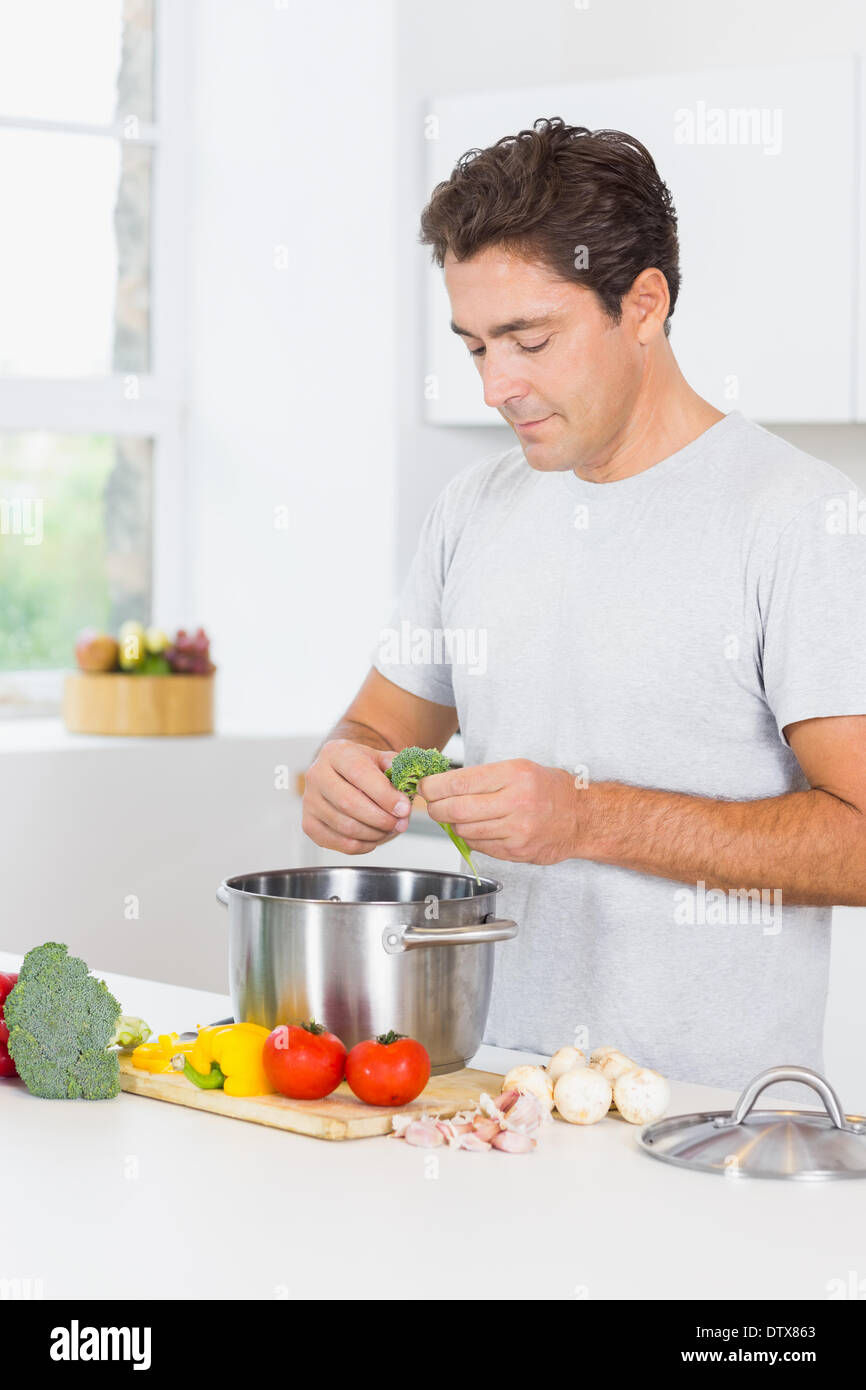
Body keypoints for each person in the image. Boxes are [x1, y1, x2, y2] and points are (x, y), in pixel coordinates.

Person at [303, 118, 866, 1090]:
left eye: (529, 339)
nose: (495, 385)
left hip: (708, 1130)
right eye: (475, 346)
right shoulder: (473, 507)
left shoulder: (796, 519)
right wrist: (338, 771)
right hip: (483, 1096)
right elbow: (374, 724)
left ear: (641, 304)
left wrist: (588, 817)